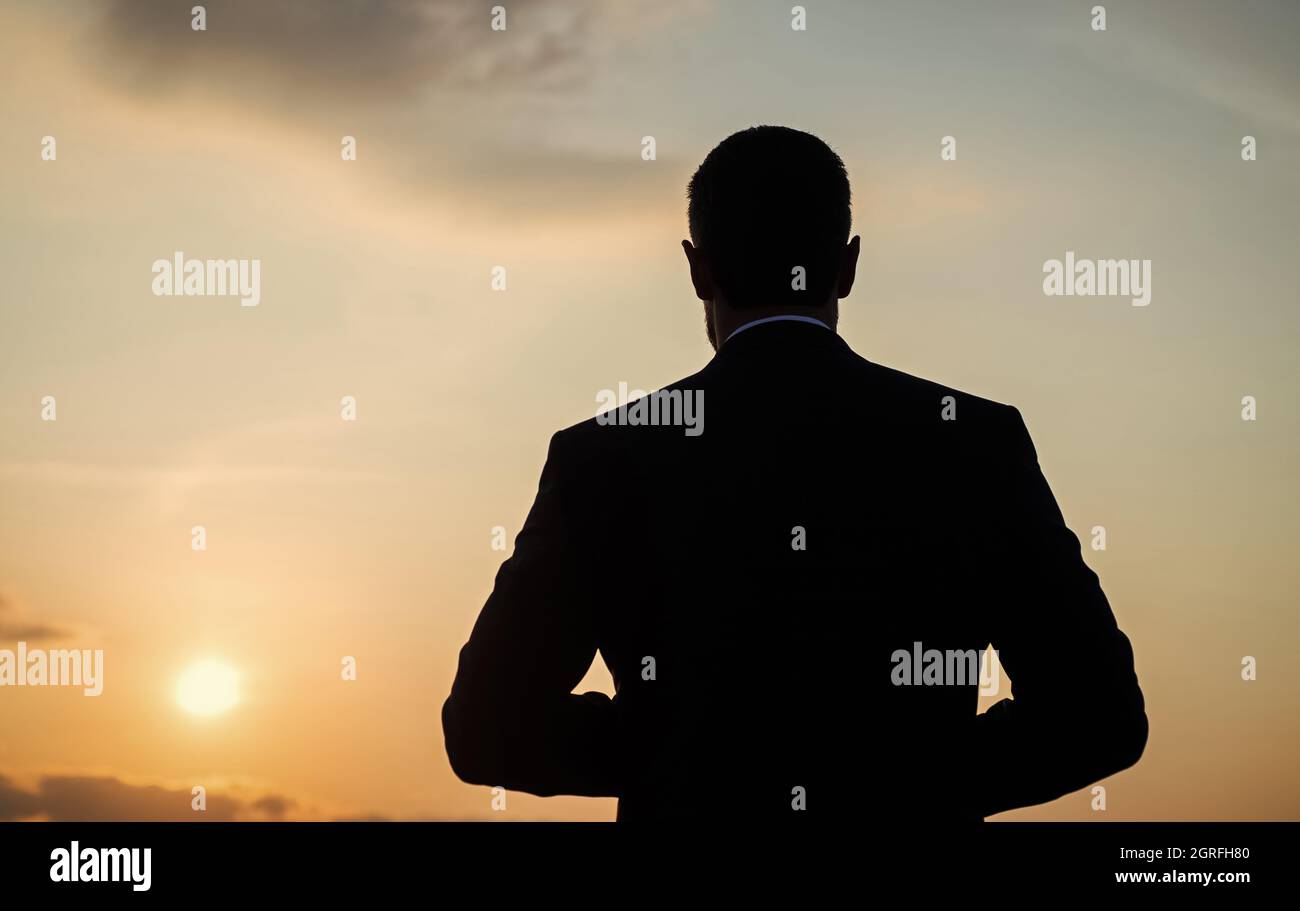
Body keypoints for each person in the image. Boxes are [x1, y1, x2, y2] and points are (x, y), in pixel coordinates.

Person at [443, 125, 1147, 820]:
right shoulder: (974, 443)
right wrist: (912, 780)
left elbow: (484, 730)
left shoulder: (601, 459)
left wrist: (685, 760)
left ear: (698, 269)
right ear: (847, 266)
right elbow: (1100, 715)